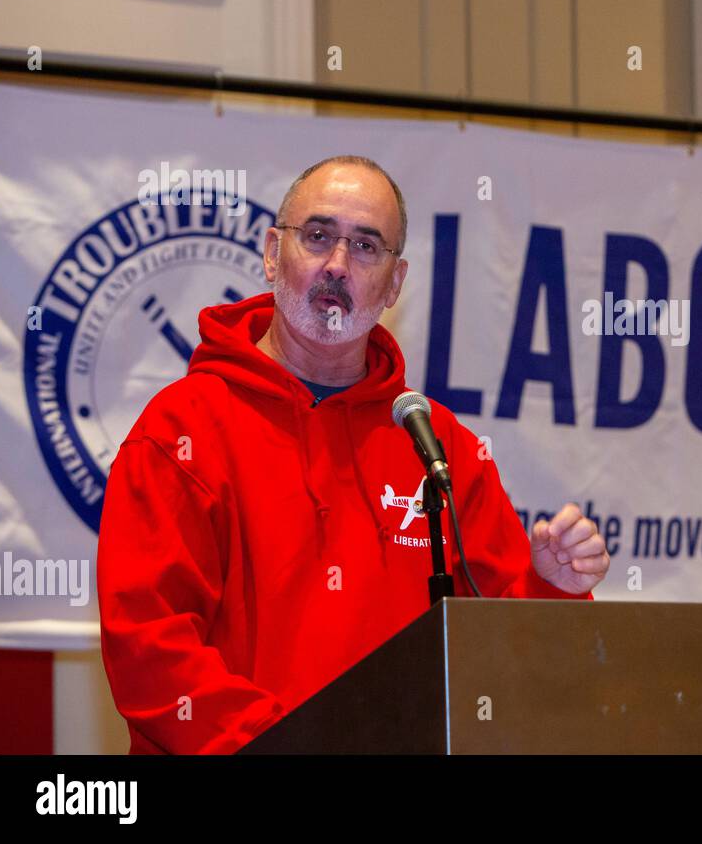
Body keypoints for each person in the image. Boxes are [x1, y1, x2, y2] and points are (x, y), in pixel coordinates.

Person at [97, 155, 611, 754]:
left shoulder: (439, 448)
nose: (337, 265)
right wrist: (294, 745)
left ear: (395, 283)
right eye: (317, 236)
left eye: (367, 246)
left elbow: (509, 658)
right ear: (271, 253)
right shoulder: (179, 431)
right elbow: (150, 652)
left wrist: (551, 587)